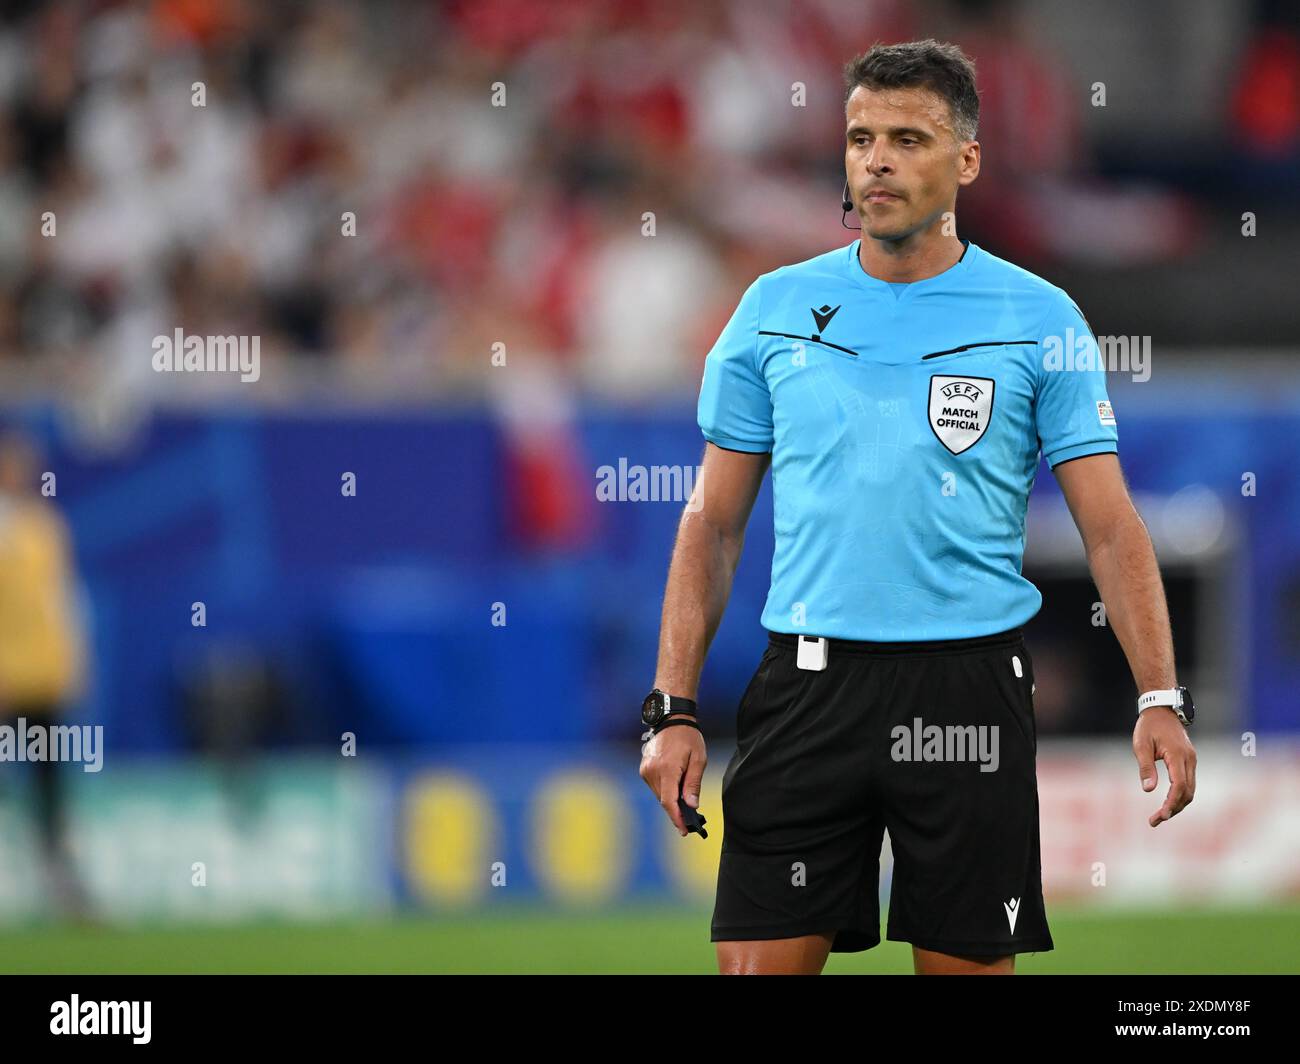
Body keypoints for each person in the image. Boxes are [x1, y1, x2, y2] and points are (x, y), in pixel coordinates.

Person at [637, 40, 1197, 976]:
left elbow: (1110, 525)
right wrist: (672, 706)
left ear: (967, 160)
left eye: (907, 137)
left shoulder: (1039, 317)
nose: (877, 160)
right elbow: (711, 523)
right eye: (861, 138)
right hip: (807, 692)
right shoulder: (774, 308)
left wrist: (1158, 694)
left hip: (968, 690)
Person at [0, 431, 91, 919]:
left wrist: (72, 660)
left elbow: (62, 603)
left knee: (49, 783)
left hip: (42, 675)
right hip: (7, 675)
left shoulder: (44, 528)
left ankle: (60, 882)